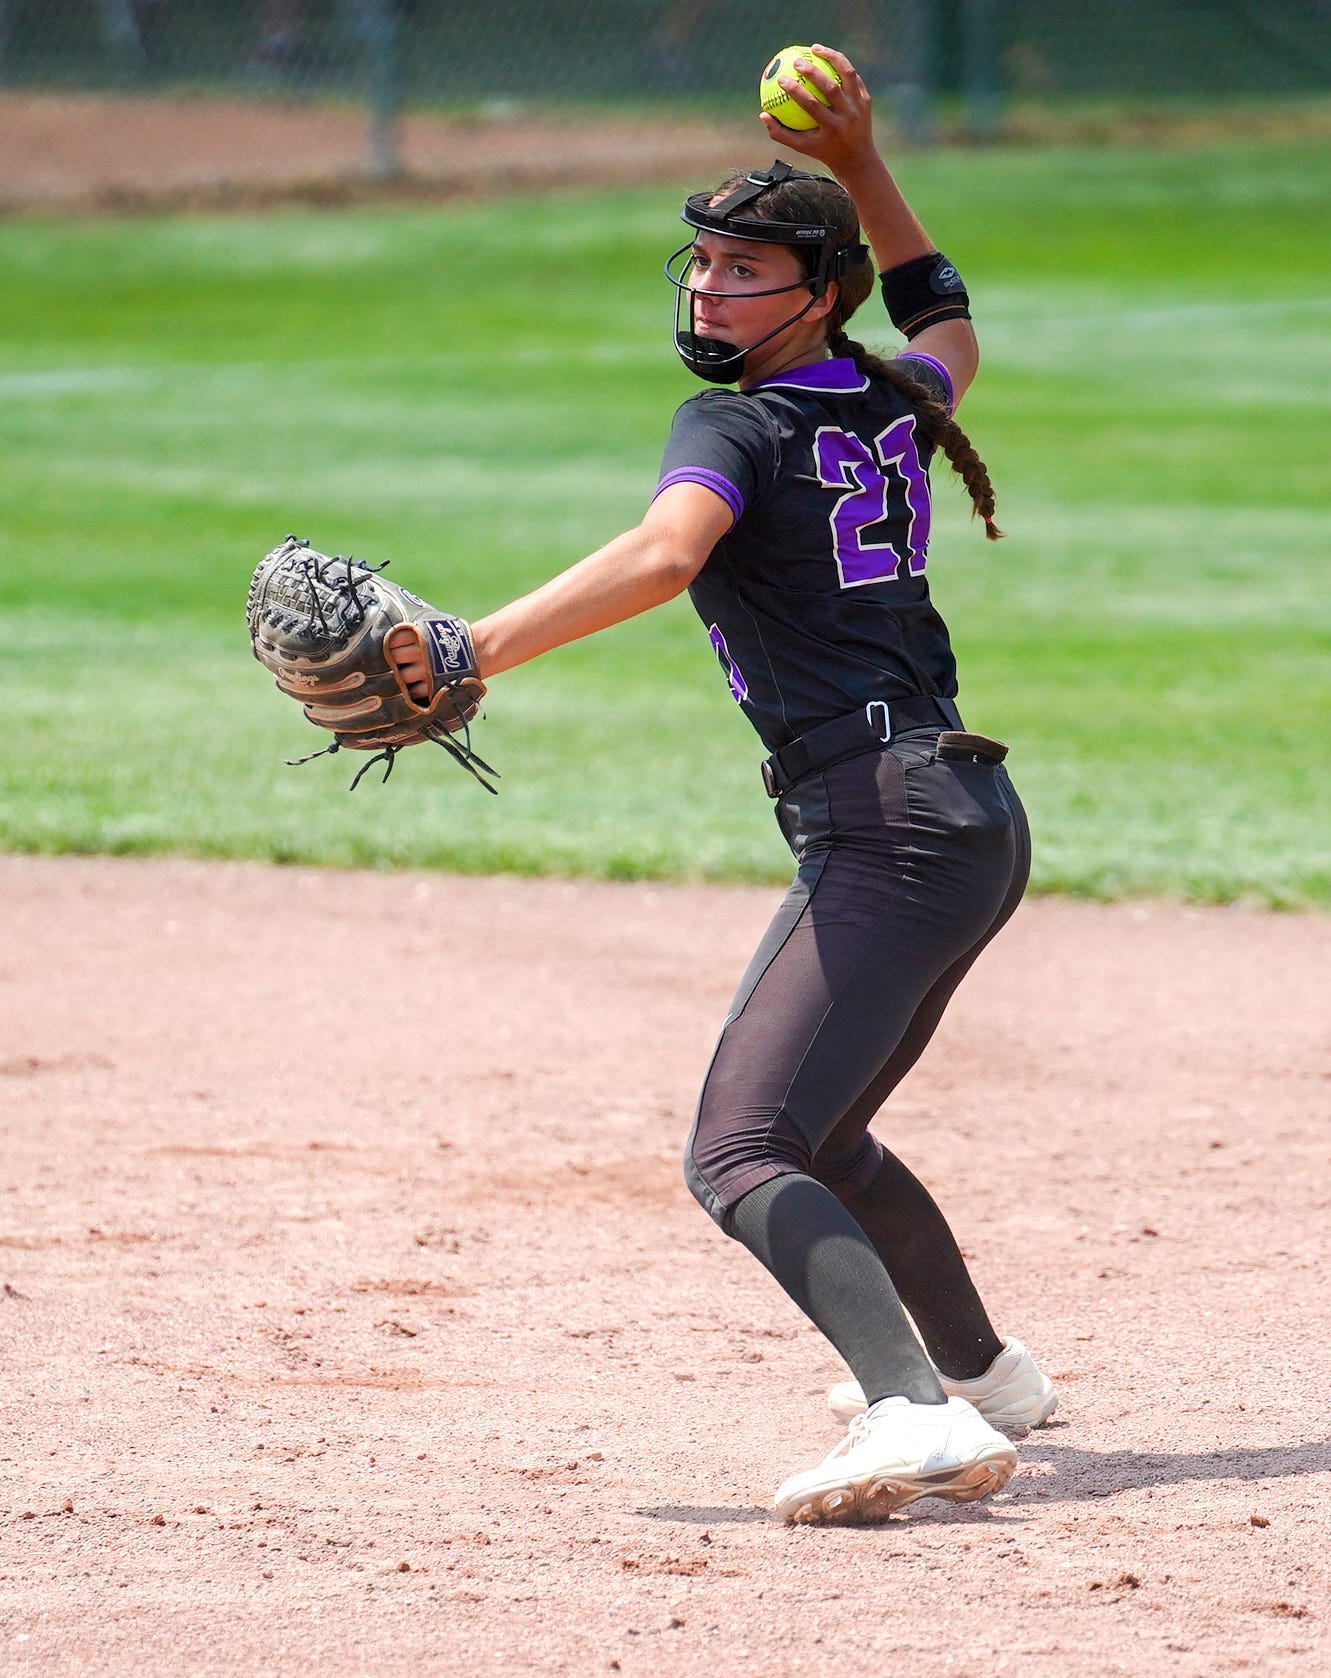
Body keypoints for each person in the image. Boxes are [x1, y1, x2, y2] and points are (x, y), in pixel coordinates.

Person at [389, 44, 1059, 1525]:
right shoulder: (893, 392)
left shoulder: (736, 426)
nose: (707, 292)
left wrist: (472, 647)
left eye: (745, 269)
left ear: (816, 290)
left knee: (742, 1151)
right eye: (698, 265)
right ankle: (986, 1378)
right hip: (961, 819)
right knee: (820, 1134)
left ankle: (909, 1417)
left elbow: (664, 553)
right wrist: (866, 161)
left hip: (885, 822)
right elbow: (944, 310)